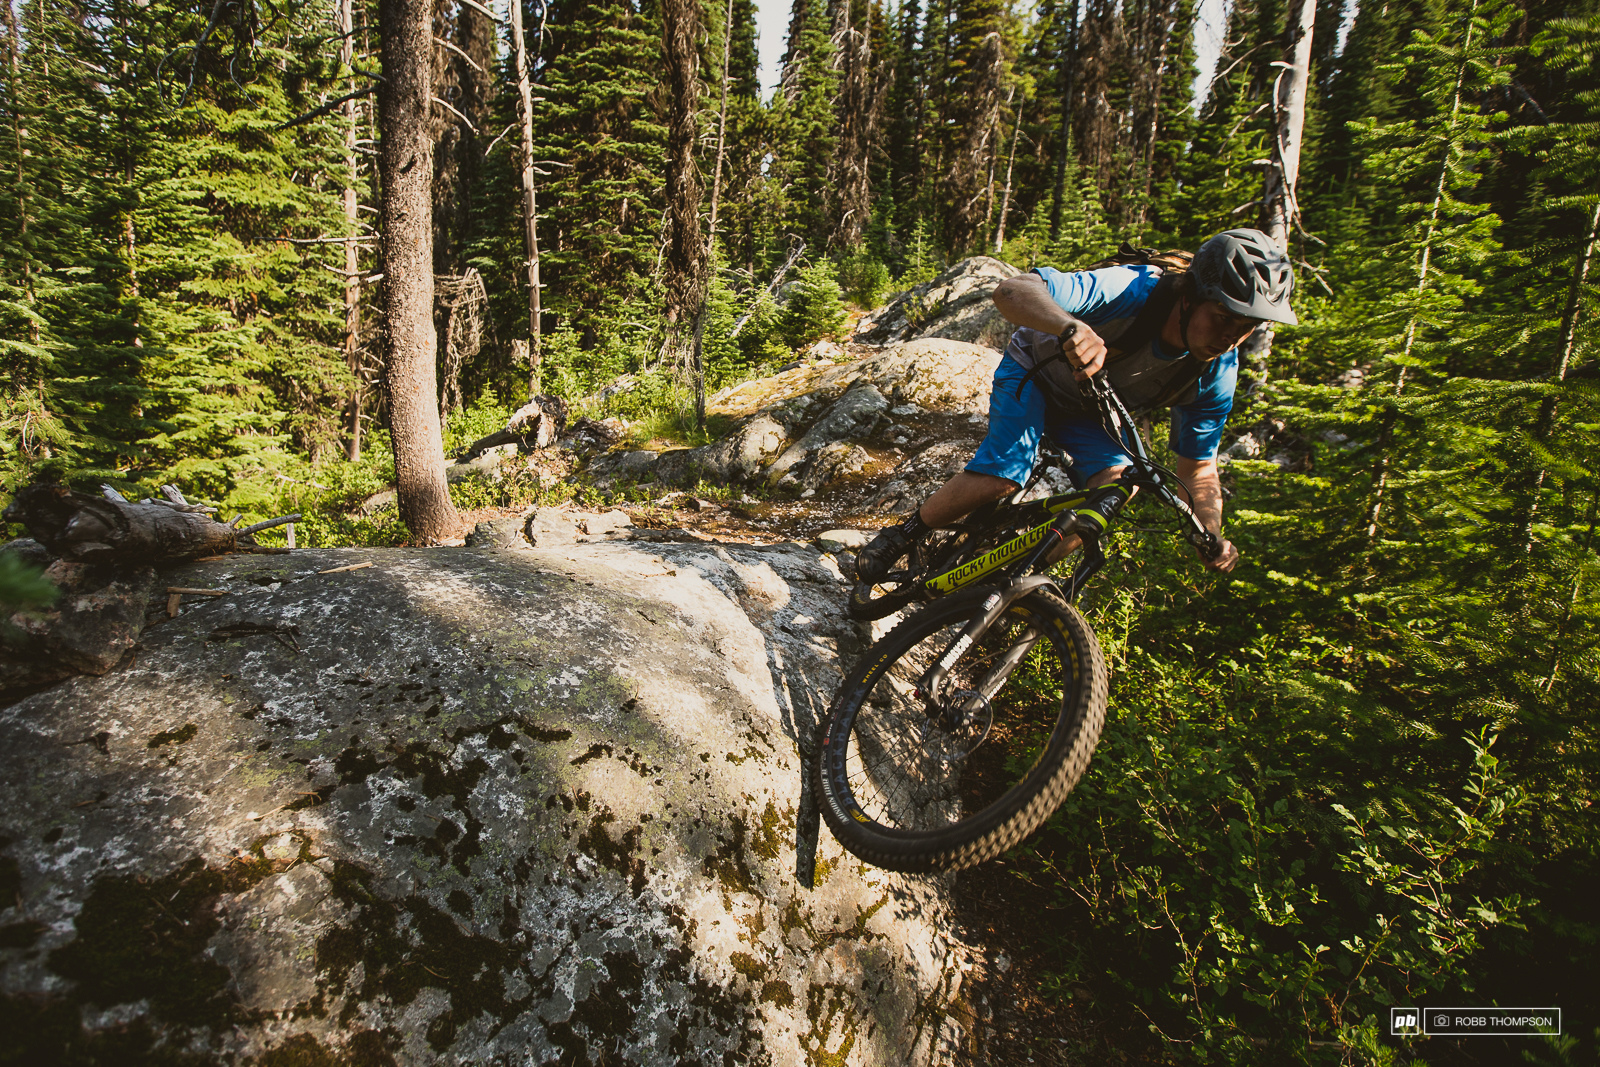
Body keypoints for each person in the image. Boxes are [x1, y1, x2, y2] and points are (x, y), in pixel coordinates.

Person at [855, 228, 1297, 582]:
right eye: (1223, 318)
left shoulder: (1216, 373)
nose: (1230, 337)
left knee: (1116, 490)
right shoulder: (1133, 289)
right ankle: (903, 535)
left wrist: (1211, 532)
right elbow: (1012, 290)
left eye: (1246, 328)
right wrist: (1068, 326)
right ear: (1190, 296)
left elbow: (1198, 469)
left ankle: (1011, 584)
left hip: (1094, 410)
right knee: (1003, 475)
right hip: (1037, 370)